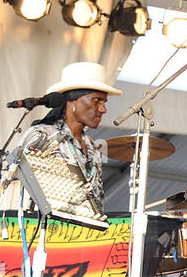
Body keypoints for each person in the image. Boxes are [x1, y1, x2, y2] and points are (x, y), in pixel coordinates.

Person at [24, 61, 122, 202]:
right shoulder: (42, 136)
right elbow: (23, 187)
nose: (103, 109)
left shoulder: (91, 145)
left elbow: (96, 196)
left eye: (104, 102)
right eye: (97, 100)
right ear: (73, 102)